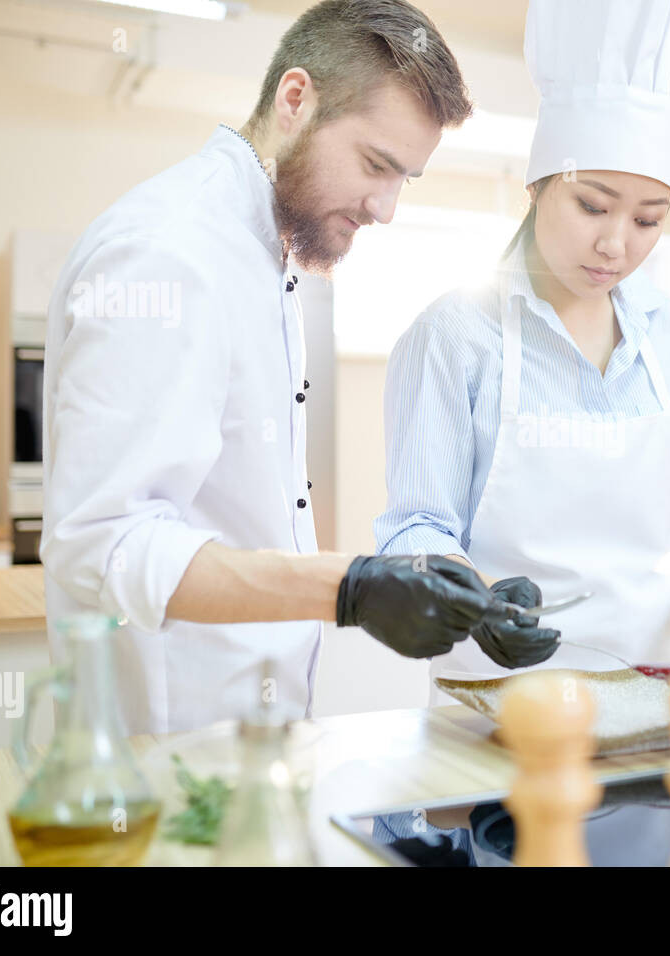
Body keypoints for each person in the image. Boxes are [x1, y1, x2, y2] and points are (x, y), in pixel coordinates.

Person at [41, 0, 528, 736]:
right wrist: (348, 586)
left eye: (406, 178)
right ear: (295, 99)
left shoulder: (268, 252)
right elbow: (103, 544)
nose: (386, 208)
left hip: (253, 742)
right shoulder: (168, 253)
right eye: (376, 165)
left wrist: (443, 588)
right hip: (167, 753)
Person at [376, 0, 670, 704]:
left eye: (649, 219)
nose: (616, 244)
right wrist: (474, 599)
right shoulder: (454, 334)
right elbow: (417, 526)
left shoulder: (665, 330)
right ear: (536, 186)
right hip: (500, 700)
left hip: (652, 693)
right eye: (592, 205)